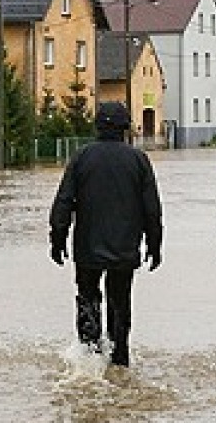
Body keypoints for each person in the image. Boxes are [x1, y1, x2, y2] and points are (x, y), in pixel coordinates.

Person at [49, 101, 163, 367]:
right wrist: (155, 245)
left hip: (87, 247)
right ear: (125, 129)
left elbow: (63, 202)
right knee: (120, 300)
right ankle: (120, 356)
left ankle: (89, 357)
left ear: (97, 127)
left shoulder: (81, 158)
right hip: (125, 247)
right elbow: (152, 209)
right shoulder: (138, 160)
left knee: (88, 297)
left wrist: (57, 238)